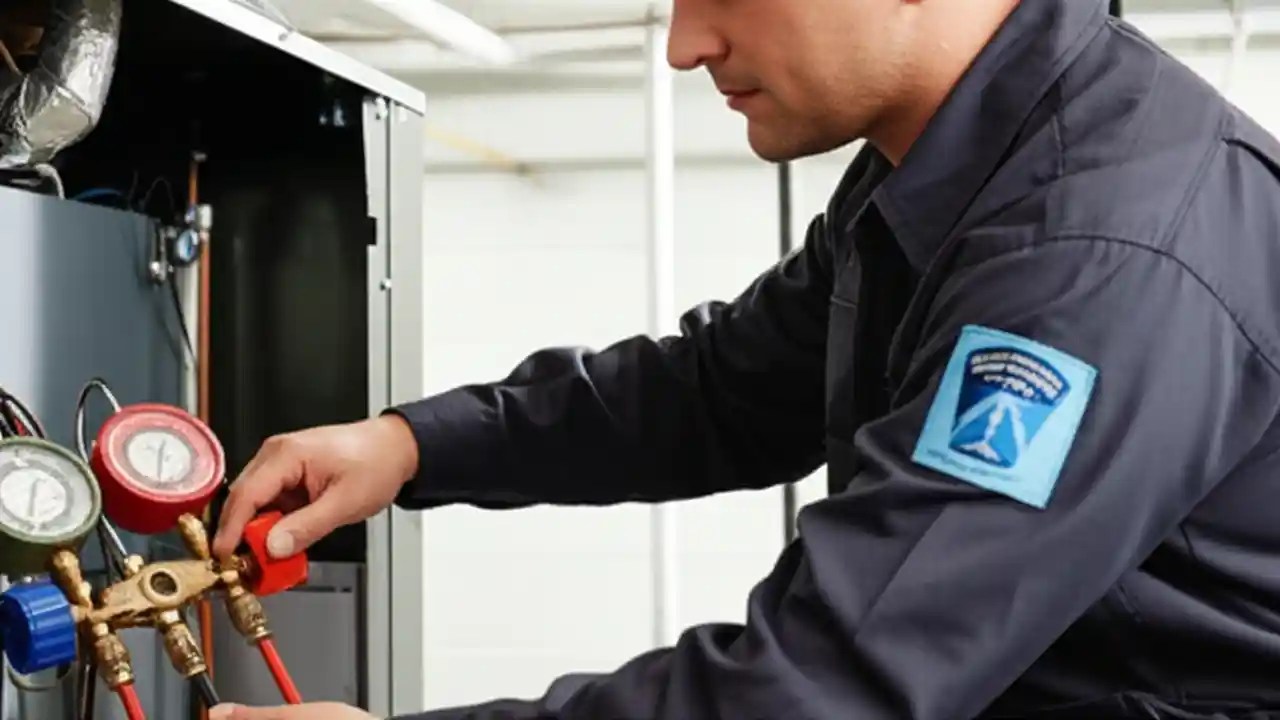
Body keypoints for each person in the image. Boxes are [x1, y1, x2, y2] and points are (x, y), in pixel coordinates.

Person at [209, 0, 1280, 717]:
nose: (682, 44)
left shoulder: (1091, 255)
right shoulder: (962, 165)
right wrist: (407, 446)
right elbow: (718, 388)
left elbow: (826, 684)